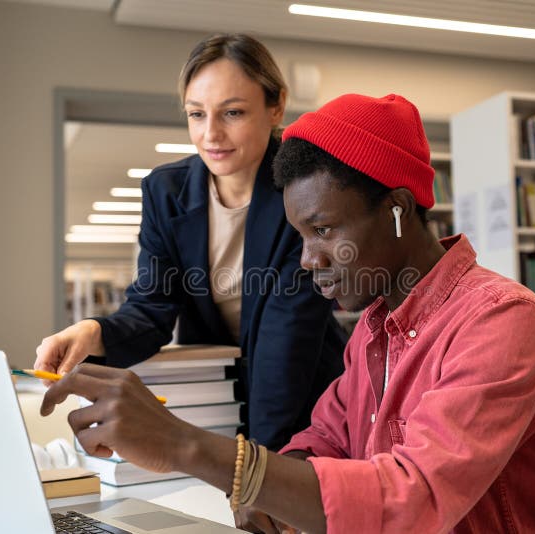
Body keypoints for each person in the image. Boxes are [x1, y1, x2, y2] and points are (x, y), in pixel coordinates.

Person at [41, 93, 535, 533]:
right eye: (299, 235)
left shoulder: (502, 324)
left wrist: (186, 446)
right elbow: (323, 440)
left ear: (396, 211)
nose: (308, 260)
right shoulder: (375, 329)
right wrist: (265, 495)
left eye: (324, 230)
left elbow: (412, 500)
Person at [35, 33, 346, 450]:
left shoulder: (305, 189)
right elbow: (151, 309)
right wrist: (93, 331)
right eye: (196, 114)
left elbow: (286, 340)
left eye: (232, 112)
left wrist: (257, 468)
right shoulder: (166, 192)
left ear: (276, 106)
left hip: (305, 402)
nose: (211, 134)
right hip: (215, 399)